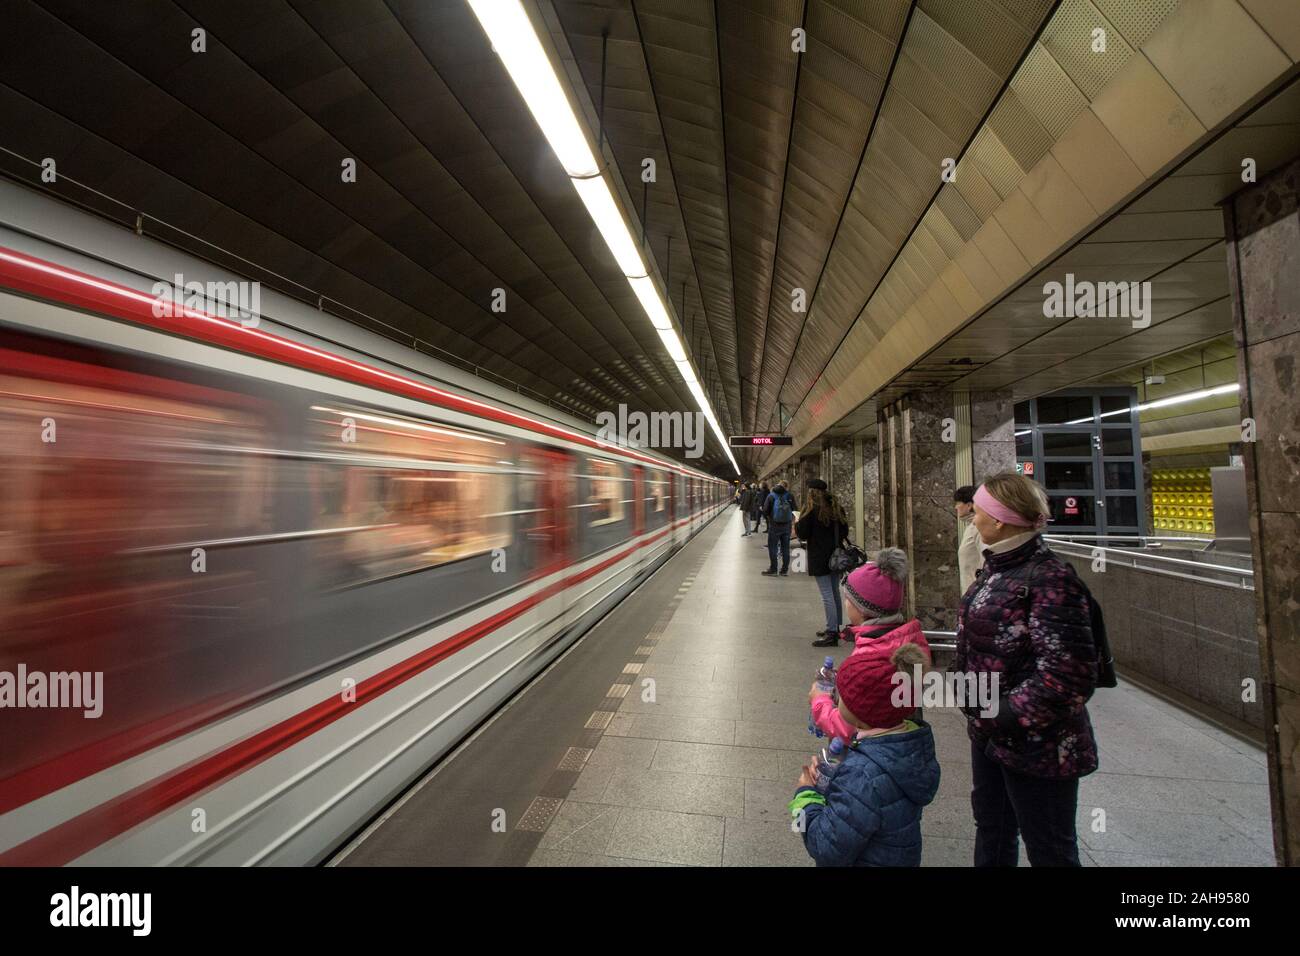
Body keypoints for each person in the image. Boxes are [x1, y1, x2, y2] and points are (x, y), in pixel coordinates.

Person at [954, 472, 1098, 867]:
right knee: (993, 829)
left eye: (978, 511)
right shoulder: (998, 568)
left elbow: (1067, 676)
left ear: (999, 519)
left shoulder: (1050, 580)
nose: (972, 518)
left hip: (1040, 745)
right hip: (990, 732)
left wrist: (1000, 713)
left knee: (1049, 848)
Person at [789, 641, 940, 866]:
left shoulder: (861, 775)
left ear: (860, 716)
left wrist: (804, 797)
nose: (836, 700)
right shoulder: (908, 749)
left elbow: (824, 847)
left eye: (842, 697)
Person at [809, 549, 932, 742]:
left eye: (848, 600)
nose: (846, 604)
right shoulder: (908, 640)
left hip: (870, 747)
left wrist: (820, 701)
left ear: (862, 610)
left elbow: (850, 724)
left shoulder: (872, 655)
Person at [794, 479, 850, 644]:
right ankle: (835, 627)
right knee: (834, 593)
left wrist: (797, 523)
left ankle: (832, 633)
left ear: (811, 492)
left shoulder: (812, 510)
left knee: (827, 595)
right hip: (836, 556)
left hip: (820, 556)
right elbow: (844, 531)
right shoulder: (837, 508)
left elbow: (802, 534)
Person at [761, 481, 793, 576]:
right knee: (785, 548)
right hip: (787, 526)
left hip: (774, 526)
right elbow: (795, 509)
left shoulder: (771, 496)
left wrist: (769, 517)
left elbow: (765, 511)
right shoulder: (789, 496)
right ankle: (784, 570)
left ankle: (774, 569)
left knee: (773, 547)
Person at [954, 485, 980, 593]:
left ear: (969, 505)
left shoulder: (978, 527)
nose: (955, 507)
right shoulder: (971, 527)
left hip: (977, 594)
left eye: (958, 503)